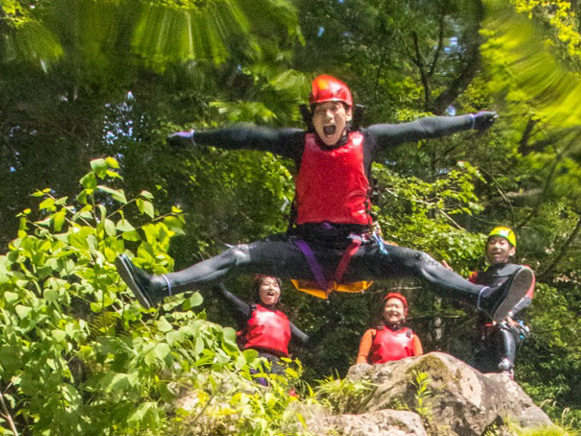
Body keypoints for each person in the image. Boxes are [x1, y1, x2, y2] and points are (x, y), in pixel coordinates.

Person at [116, 76, 534, 322]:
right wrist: (196, 138)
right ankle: (159, 287)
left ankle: (485, 298)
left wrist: (470, 121)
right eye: (320, 112)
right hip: (305, 250)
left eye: (335, 110)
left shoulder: (370, 140)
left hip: (358, 251)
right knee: (239, 257)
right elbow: (245, 135)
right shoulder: (297, 144)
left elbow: (422, 126)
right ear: (311, 118)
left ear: (348, 114)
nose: (328, 118)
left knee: (419, 262)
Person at [216, 274, 308, 384]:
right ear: (258, 291)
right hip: (252, 360)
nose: (271, 287)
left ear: (279, 294)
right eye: (266, 284)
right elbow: (224, 294)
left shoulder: (285, 321)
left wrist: (332, 323)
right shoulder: (248, 311)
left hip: (277, 366)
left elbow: (309, 343)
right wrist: (213, 271)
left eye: (275, 285)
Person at [468, 226, 535, 373]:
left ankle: (507, 366)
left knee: (501, 325)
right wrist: (451, 279)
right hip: (483, 332)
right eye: (492, 242)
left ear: (511, 250)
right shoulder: (478, 277)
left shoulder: (521, 272)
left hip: (510, 327)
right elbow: (461, 302)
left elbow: (525, 299)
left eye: (502, 243)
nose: (496, 246)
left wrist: (506, 313)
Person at [356, 291, 422, 365]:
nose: (393, 309)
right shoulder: (372, 333)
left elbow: (420, 363)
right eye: (389, 306)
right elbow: (362, 358)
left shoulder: (412, 337)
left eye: (397, 307)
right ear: (383, 312)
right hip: (378, 374)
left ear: (405, 313)